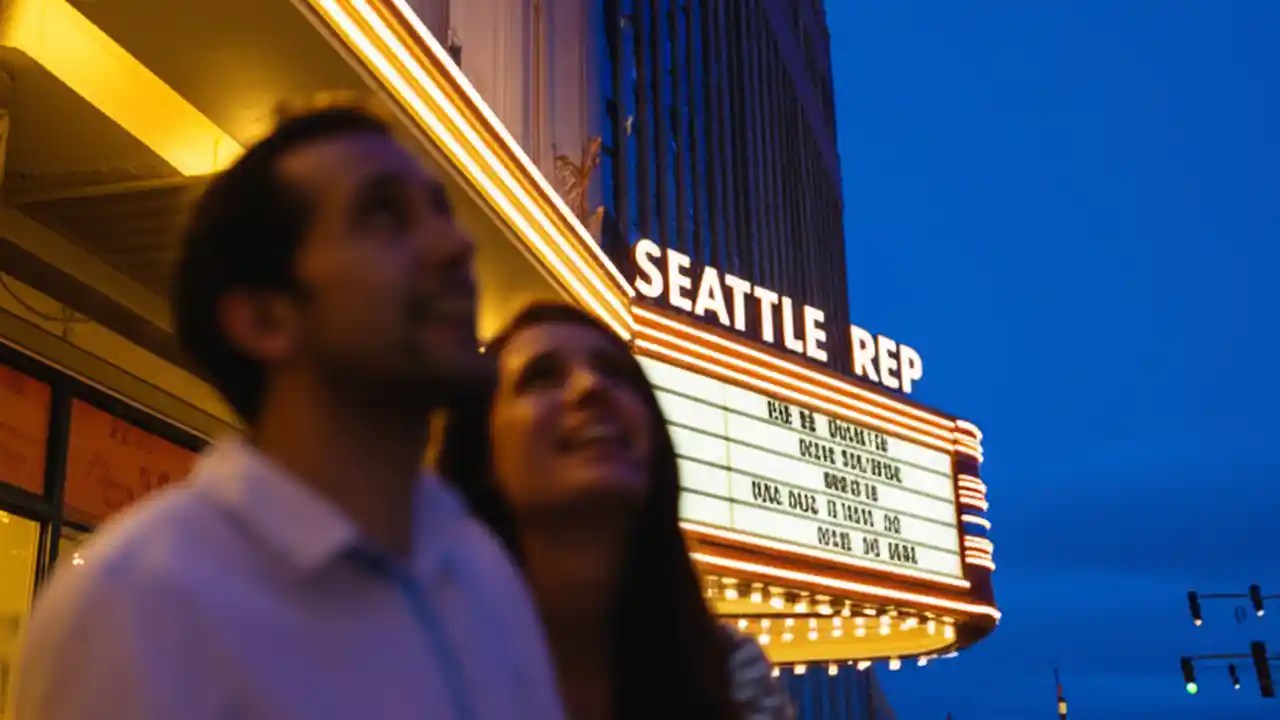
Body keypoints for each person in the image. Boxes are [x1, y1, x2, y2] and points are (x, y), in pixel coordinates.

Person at [15, 107, 564, 720]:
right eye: (383, 216)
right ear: (264, 319)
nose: (455, 246)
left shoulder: (482, 574)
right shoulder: (140, 604)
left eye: (440, 212)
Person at [439, 302, 793, 720]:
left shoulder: (734, 674)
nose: (591, 386)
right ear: (483, 455)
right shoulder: (410, 656)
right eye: (541, 377)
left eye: (616, 373)